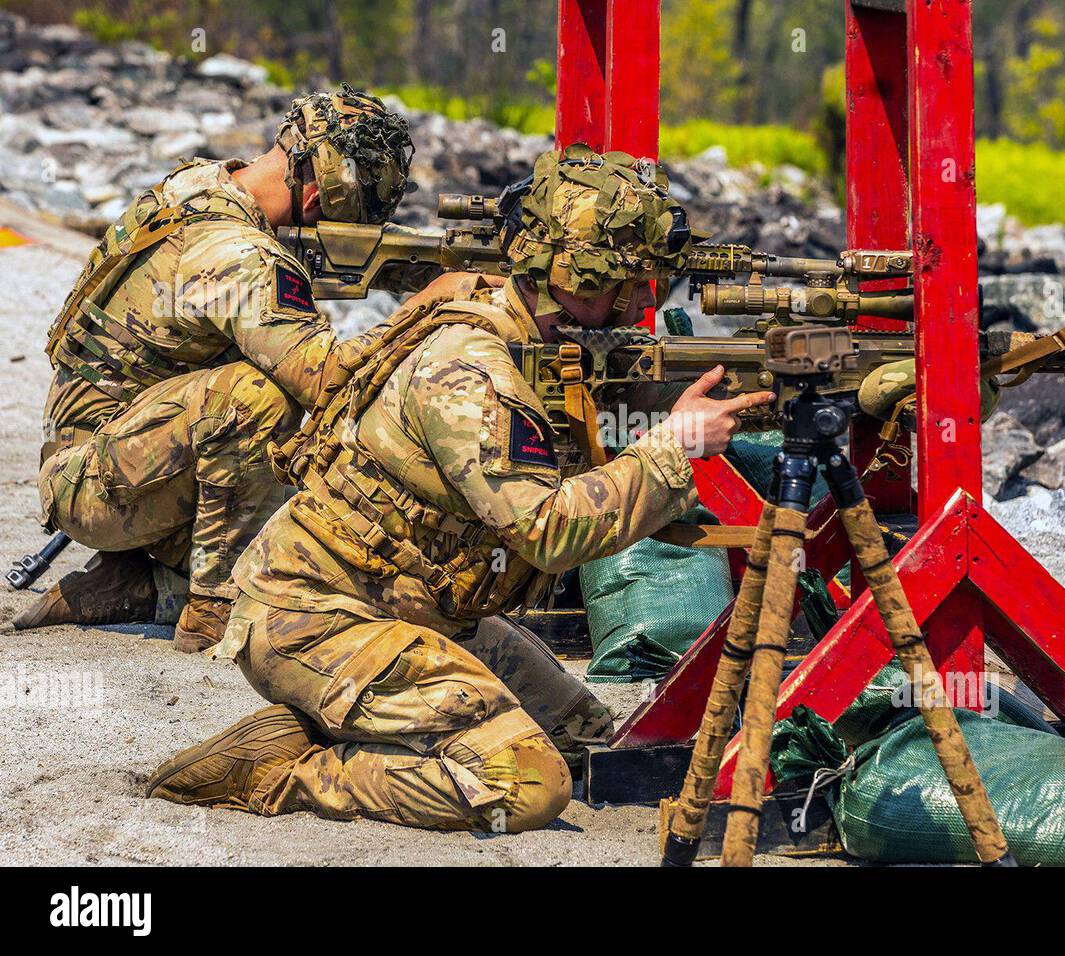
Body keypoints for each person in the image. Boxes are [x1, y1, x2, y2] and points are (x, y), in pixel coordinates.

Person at [146, 144, 774, 833]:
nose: (642, 301)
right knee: (528, 784)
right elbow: (551, 531)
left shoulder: (510, 321)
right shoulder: (468, 370)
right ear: (591, 280)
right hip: (316, 617)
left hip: (415, 610)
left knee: (588, 742)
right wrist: (675, 447)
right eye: (633, 284)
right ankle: (288, 775)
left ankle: (331, 725)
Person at [17, 85, 416, 651]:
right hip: (95, 485)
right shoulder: (241, 256)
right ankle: (214, 605)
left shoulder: (203, 183)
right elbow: (330, 381)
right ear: (317, 204)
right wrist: (427, 307)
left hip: (105, 459)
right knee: (258, 399)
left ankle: (139, 584)